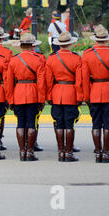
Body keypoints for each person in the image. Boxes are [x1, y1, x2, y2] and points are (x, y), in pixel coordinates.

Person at [82, 26, 109, 163]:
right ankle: (105, 154)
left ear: (96, 40)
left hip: (94, 92)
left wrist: (86, 97)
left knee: (96, 123)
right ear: (106, 40)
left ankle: (98, 153)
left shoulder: (87, 54)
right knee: (108, 124)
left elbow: (85, 79)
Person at [5, 32, 46, 161]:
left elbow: (9, 82)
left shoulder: (14, 60)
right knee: (31, 123)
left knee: (20, 123)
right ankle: (30, 151)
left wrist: (10, 99)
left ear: (21, 45)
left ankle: (22, 152)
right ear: (32, 45)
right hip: (33, 93)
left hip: (18, 93)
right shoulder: (38, 59)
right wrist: (41, 99)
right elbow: (41, 82)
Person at [45, 32, 83, 162]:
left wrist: (48, 95)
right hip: (71, 93)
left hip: (56, 93)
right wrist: (79, 96)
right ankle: (69, 152)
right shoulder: (76, 58)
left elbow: (48, 80)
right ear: (70, 43)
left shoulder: (51, 58)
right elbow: (79, 81)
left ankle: (61, 152)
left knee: (58, 123)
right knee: (70, 124)